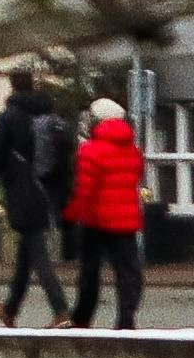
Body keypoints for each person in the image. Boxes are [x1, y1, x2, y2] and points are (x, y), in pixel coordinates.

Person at [0, 59, 85, 306]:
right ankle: (9, 309)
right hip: (48, 190)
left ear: (12, 85)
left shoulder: (8, 119)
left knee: (38, 254)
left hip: (23, 193)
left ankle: (60, 310)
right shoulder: (48, 116)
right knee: (27, 253)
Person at [66, 91, 154, 331]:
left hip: (95, 221)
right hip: (126, 220)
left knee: (90, 272)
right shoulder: (134, 151)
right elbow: (133, 180)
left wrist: (71, 216)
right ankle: (126, 318)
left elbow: (85, 190)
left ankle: (82, 319)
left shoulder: (90, 151)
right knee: (127, 272)